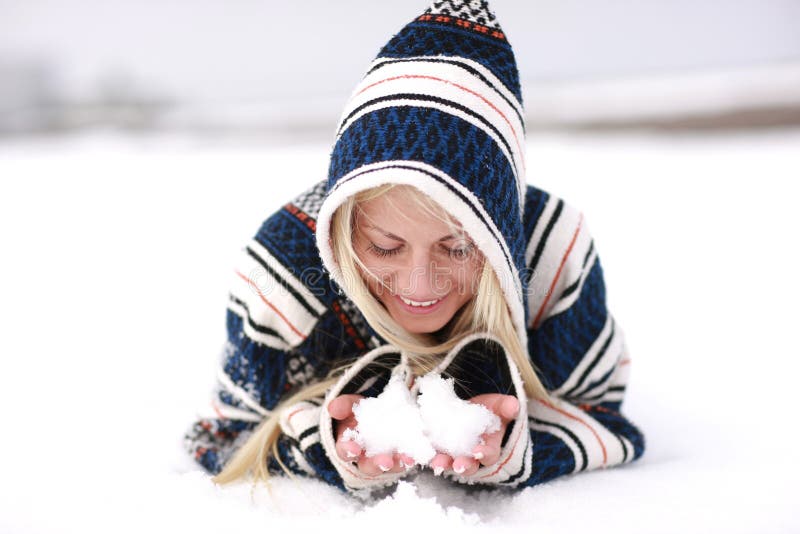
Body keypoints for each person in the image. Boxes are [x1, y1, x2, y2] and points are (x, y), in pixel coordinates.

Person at [184, 0, 644, 496]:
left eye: (460, 248)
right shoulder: (285, 269)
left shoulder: (552, 249)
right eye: (385, 247)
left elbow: (605, 420)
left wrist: (513, 442)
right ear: (343, 228)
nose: (420, 284)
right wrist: (327, 444)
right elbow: (219, 435)